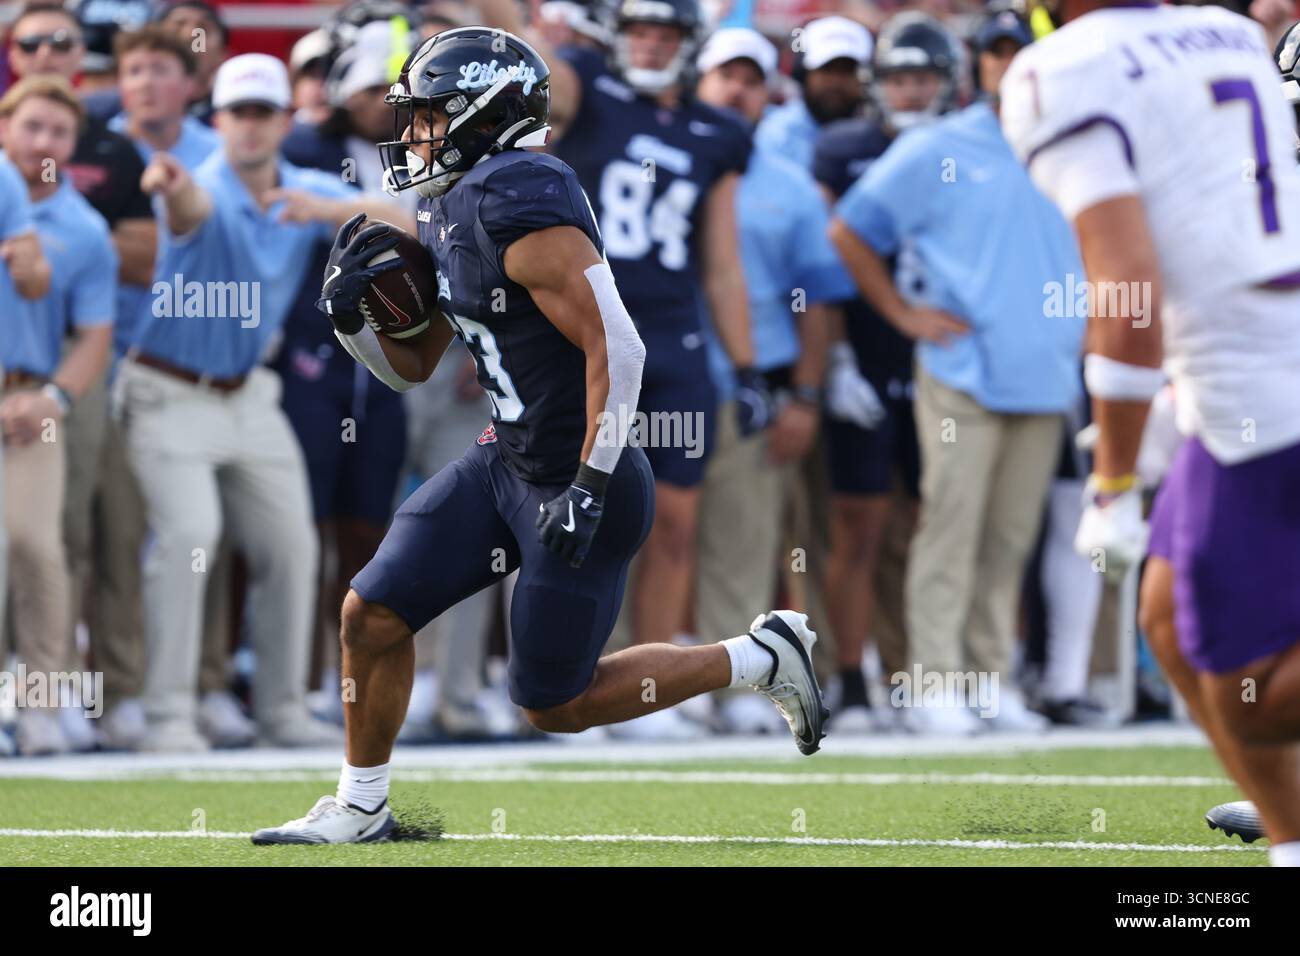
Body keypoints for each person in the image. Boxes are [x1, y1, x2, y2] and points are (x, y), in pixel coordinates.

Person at [252, 28, 827, 844]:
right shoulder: (454, 198)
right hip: (504, 461)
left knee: (555, 704)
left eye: (426, 115)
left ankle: (761, 655)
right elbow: (415, 368)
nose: (412, 133)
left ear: (481, 114)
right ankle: (361, 804)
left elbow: (619, 344)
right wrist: (355, 326)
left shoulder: (521, 190)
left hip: (577, 474)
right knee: (371, 613)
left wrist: (589, 486)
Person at [1002, 0, 1300, 866]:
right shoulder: (1228, 32)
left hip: (1262, 384)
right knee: (1166, 618)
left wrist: (1115, 481)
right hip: (1233, 373)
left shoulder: (1064, 69)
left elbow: (1125, 291)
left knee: (1250, 695)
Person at [476, 1, 764, 744]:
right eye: (638, 30)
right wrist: (516, 16)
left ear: (686, 43)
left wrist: (749, 365)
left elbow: (723, 265)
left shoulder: (715, 133)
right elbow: (542, 75)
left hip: (673, 343)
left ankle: (646, 691)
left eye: (664, 33)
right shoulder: (591, 89)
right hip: (586, 336)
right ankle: (572, 679)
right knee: (570, 509)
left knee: (672, 525)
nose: (649, 44)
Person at [117, 53, 403, 752]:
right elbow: (185, 207)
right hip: (167, 390)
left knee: (292, 545)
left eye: (262, 113)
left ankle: (280, 711)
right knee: (190, 537)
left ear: (283, 121)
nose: (249, 126)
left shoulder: (304, 185)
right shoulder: (203, 181)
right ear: (217, 122)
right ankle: (168, 719)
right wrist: (169, 181)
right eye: (237, 113)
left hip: (250, 396)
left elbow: (409, 226)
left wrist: (328, 208)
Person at [830, 7, 1085, 735]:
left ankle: (988, 679)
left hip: (1045, 373)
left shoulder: (1070, 143)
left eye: (1018, 51)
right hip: (962, 370)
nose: (1006, 64)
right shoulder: (943, 146)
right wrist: (903, 314)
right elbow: (849, 228)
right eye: (995, 52)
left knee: (1009, 540)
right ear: (977, 65)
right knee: (949, 528)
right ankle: (934, 682)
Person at [692, 27, 855, 734]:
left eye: (751, 79)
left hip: (753, 386)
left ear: (769, 93)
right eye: (725, 77)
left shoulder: (790, 187)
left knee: (744, 540)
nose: (737, 91)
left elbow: (818, 298)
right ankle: (628, 688)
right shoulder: (663, 161)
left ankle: (727, 691)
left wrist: (808, 397)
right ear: (699, 83)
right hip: (654, 376)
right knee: (644, 540)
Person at [811, 10, 965, 733]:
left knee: (932, 526)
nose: (908, 92)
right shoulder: (845, 149)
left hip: (946, 357)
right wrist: (837, 354)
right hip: (869, 355)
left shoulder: (967, 149)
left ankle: (921, 676)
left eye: (921, 78)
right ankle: (850, 679)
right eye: (898, 78)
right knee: (859, 523)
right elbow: (826, 259)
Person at [0, 76, 116, 755]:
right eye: (31, 126)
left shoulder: (86, 229)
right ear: (6, 127)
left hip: (29, 397)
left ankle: (41, 703)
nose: (43, 142)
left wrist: (54, 399)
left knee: (39, 545)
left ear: (72, 145)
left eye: (59, 132)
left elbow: (94, 336)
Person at [754, 15, 873, 170]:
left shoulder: (877, 137)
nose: (835, 82)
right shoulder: (775, 135)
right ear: (802, 73)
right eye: (826, 69)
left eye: (846, 71)